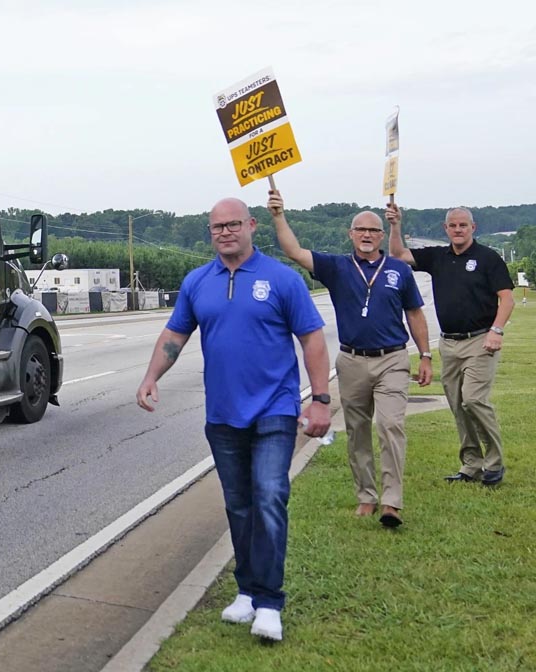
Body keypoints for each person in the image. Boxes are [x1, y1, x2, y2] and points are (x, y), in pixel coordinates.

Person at [136, 196, 331, 642]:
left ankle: (269, 602)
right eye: (216, 227)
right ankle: (246, 590)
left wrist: (319, 398)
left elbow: (312, 339)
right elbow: (175, 335)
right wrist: (151, 376)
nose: (225, 232)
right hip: (223, 414)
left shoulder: (282, 279)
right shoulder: (197, 282)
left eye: (232, 224)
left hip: (275, 409)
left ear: (252, 225)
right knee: (239, 504)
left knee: (268, 497)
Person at [268, 190, 432, 528]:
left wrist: (426, 355)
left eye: (373, 230)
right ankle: (366, 496)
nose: (367, 235)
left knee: (390, 425)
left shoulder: (398, 270)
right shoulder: (337, 266)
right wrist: (279, 215)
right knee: (357, 431)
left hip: (392, 359)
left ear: (381, 235)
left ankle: (391, 502)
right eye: (361, 230)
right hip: (352, 361)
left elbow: (415, 314)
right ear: (351, 235)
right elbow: (294, 251)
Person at [388, 205, 514, 485]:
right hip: (449, 343)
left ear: (473, 228)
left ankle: (494, 463)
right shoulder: (437, 257)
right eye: (453, 226)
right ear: (445, 229)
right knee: (458, 404)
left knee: (473, 399)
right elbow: (398, 254)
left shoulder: (488, 258)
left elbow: (507, 298)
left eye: (463, 225)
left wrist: (496, 330)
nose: (458, 230)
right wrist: (396, 225)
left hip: (481, 340)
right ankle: (471, 465)